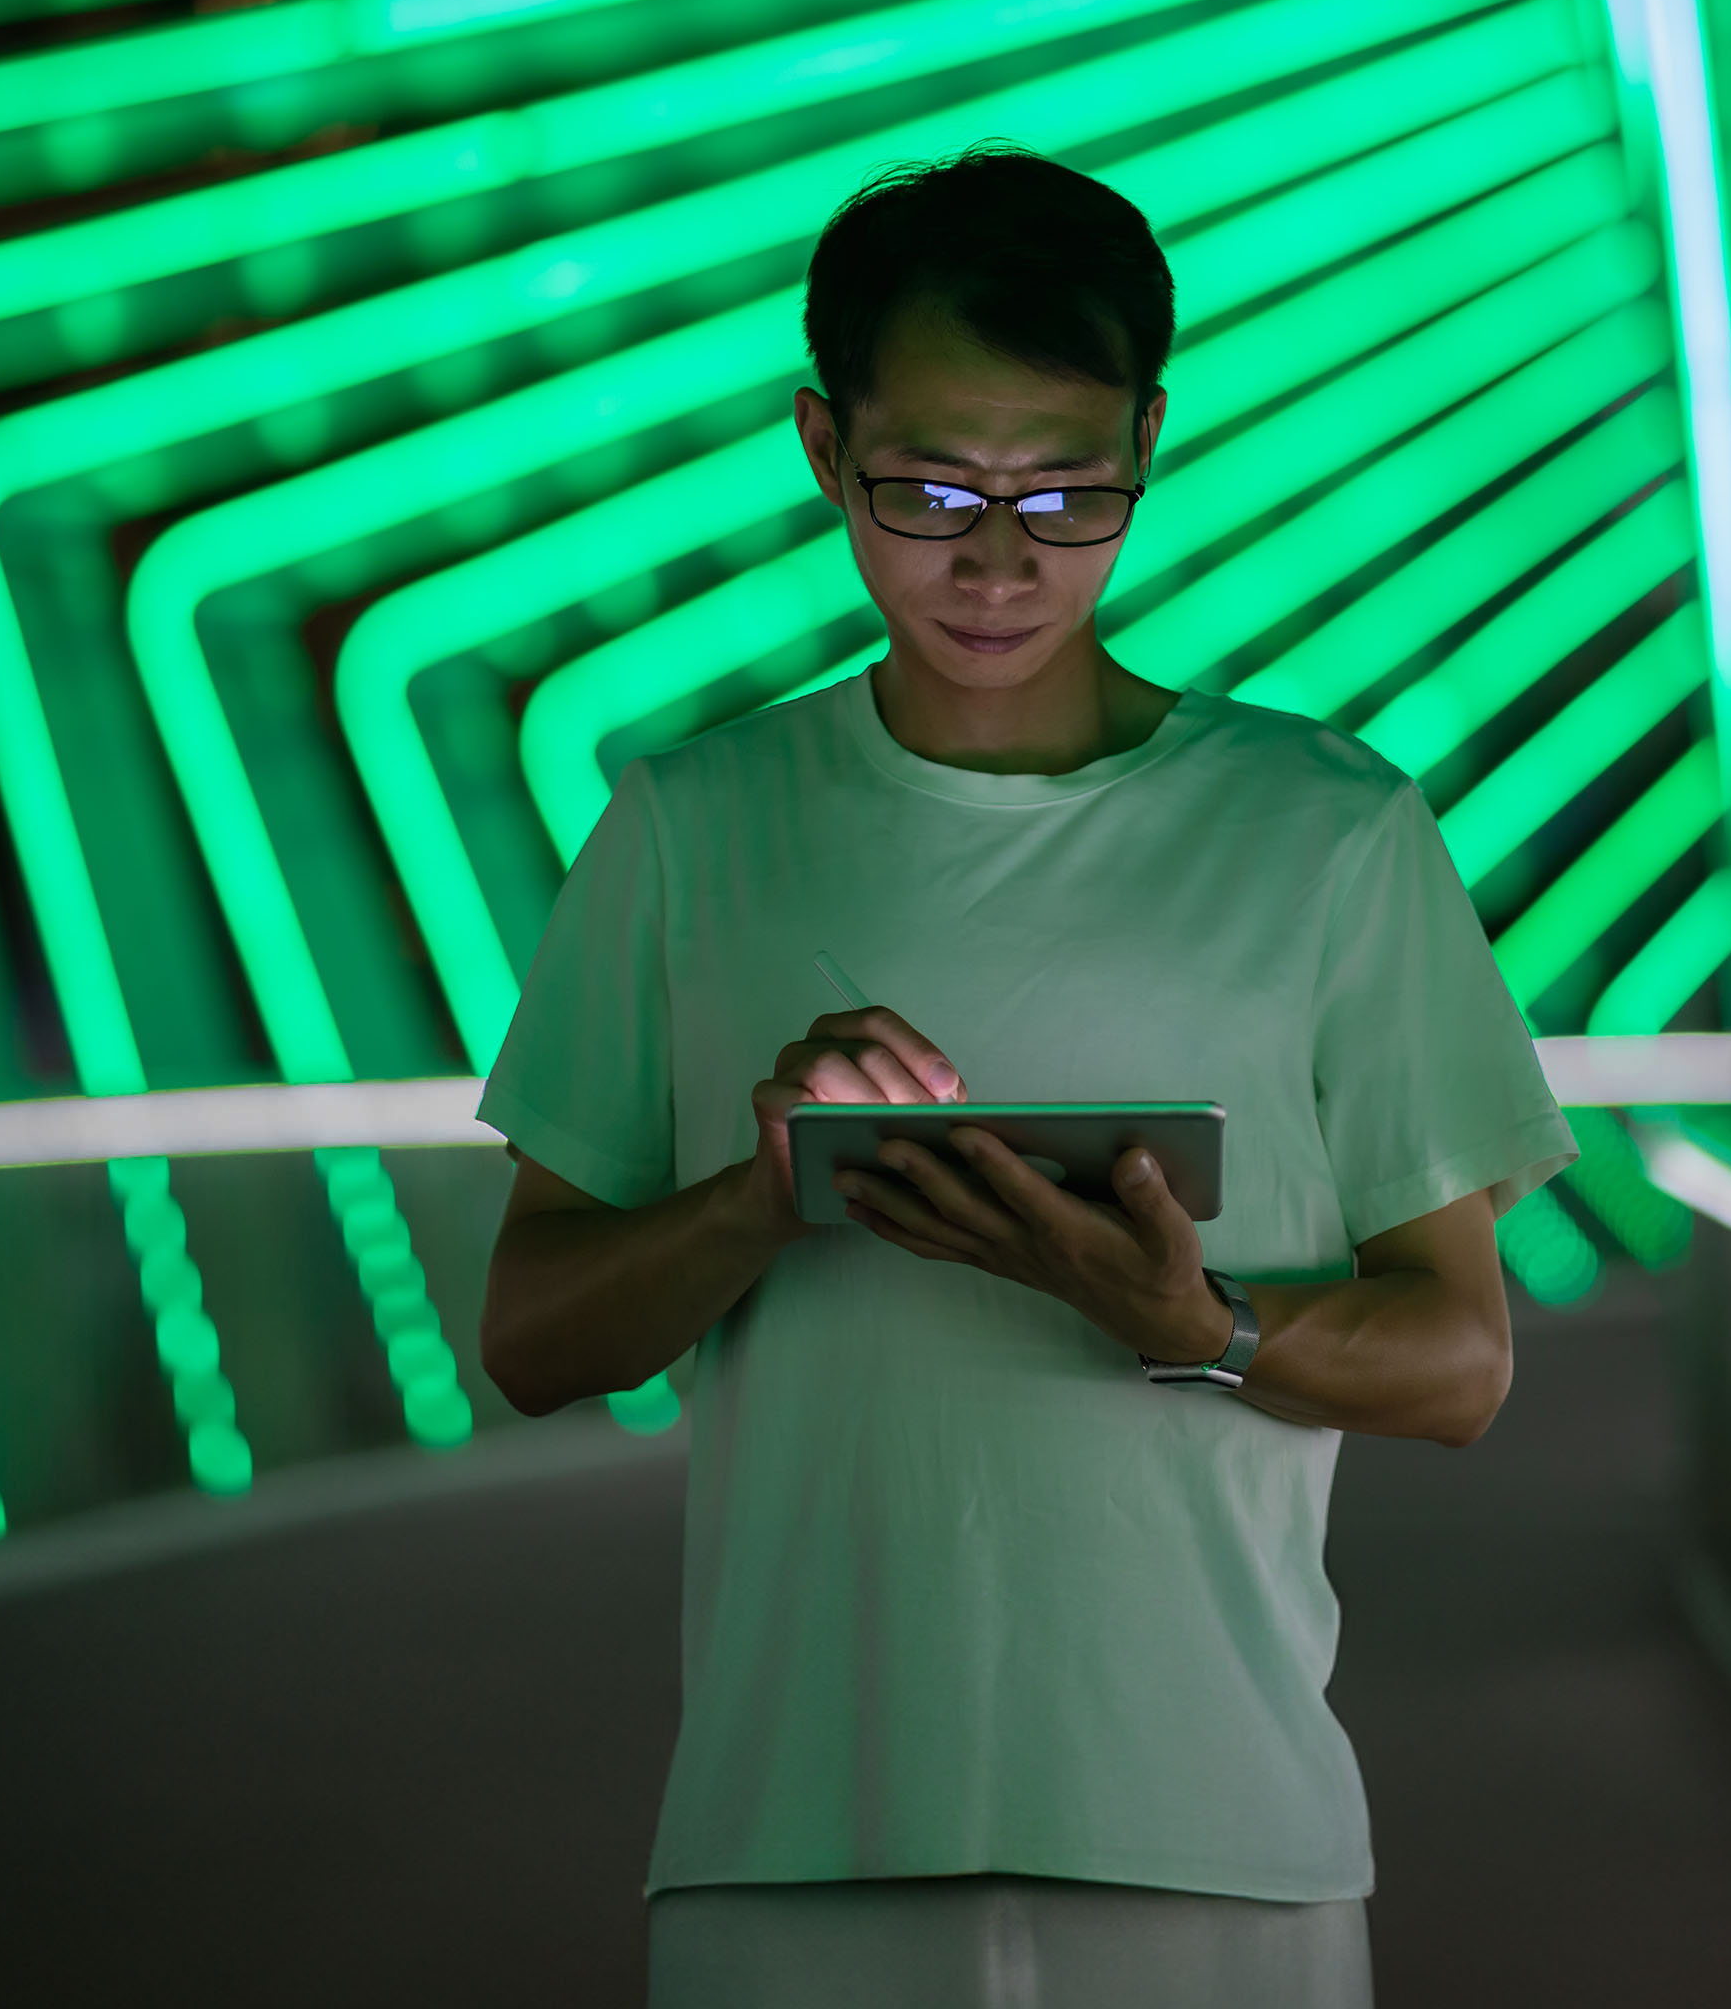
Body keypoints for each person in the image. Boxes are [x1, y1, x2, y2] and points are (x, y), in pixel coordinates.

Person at [475, 141, 1576, 2007]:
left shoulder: (1330, 835)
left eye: (1071, 492)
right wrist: (764, 1194)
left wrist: (1187, 1316)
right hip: (792, 1839)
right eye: (929, 490)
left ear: (1150, 438)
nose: (999, 559)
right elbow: (533, 1333)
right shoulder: (690, 828)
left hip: (1220, 1839)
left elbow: (1463, 1362)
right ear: (821, 446)